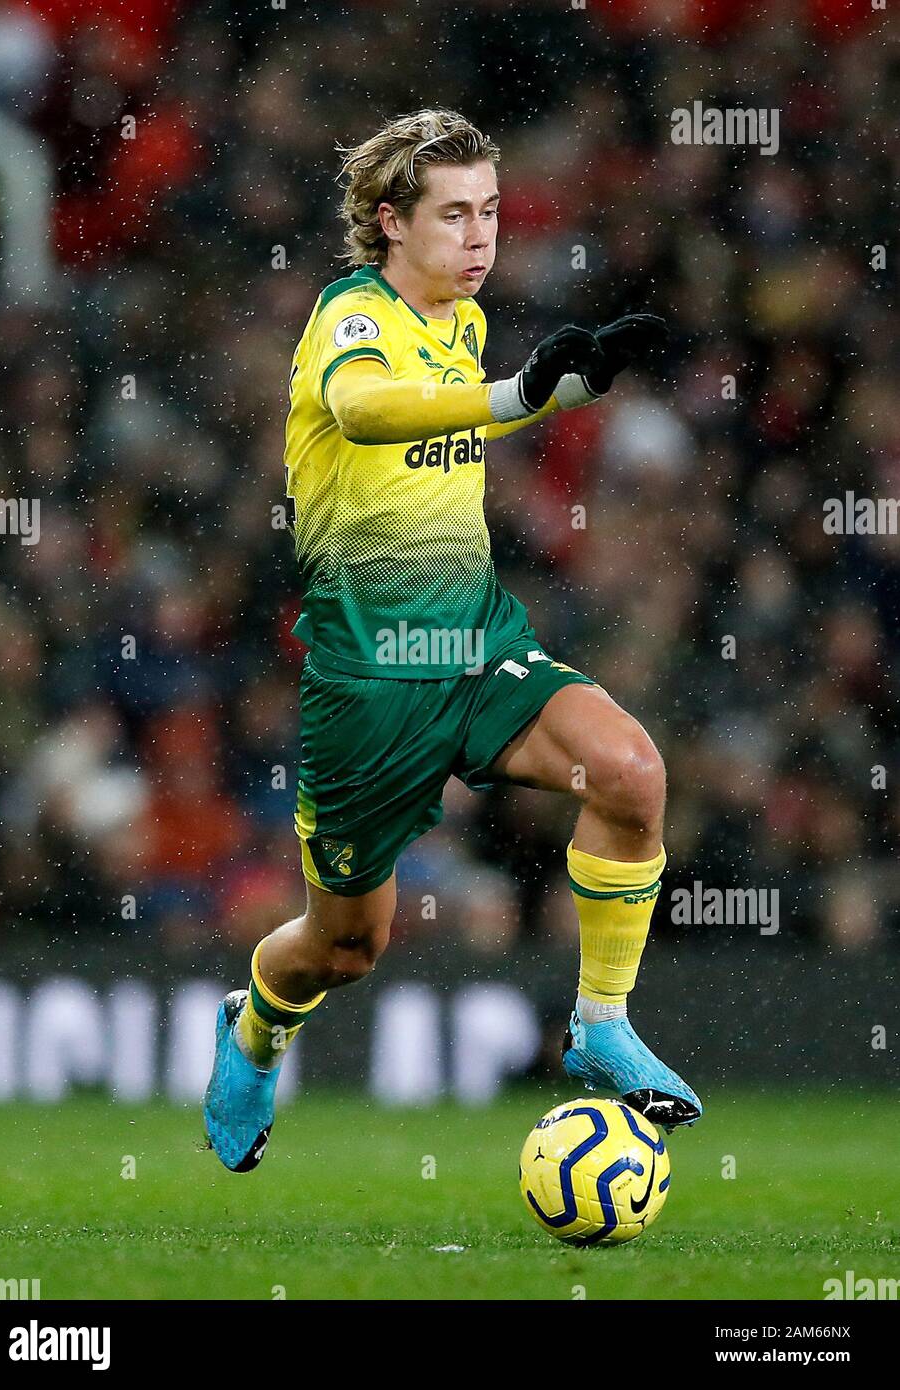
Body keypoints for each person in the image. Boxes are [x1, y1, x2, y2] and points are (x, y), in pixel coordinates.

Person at [204, 109, 701, 1173]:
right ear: (389, 221)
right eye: (453, 215)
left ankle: (599, 1023)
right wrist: (524, 391)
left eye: (489, 213)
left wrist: (558, 390)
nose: (480, 238)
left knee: (626, 769)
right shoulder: (350, 314)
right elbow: (370, 407)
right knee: (345, 946)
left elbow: (456, 413)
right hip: (369, 681)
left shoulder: (462, 323)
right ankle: (253, 1028)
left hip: (473, 645)